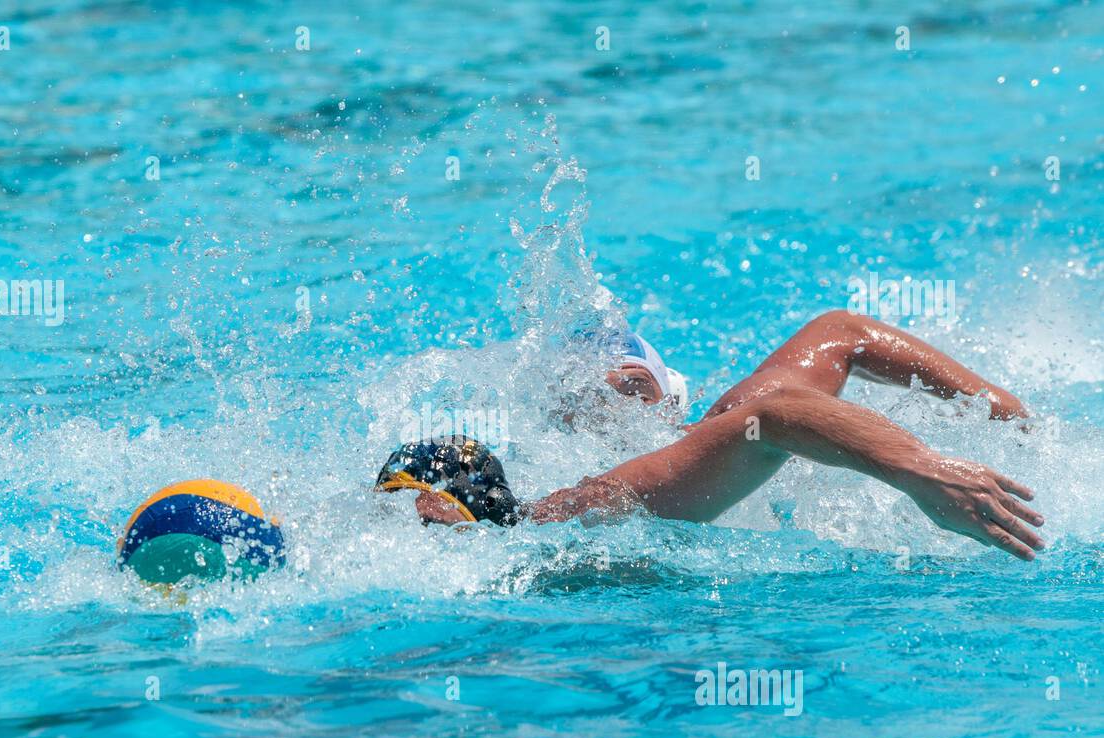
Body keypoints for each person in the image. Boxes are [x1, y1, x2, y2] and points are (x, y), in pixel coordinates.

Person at [377, 310, 1046, 561]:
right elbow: (783, 416)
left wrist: (1006, 416)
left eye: (632, 386)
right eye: (584, 399)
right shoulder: (587, 502)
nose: (611, 407)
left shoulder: (723, 422)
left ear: (673, 401)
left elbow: (840, 334)